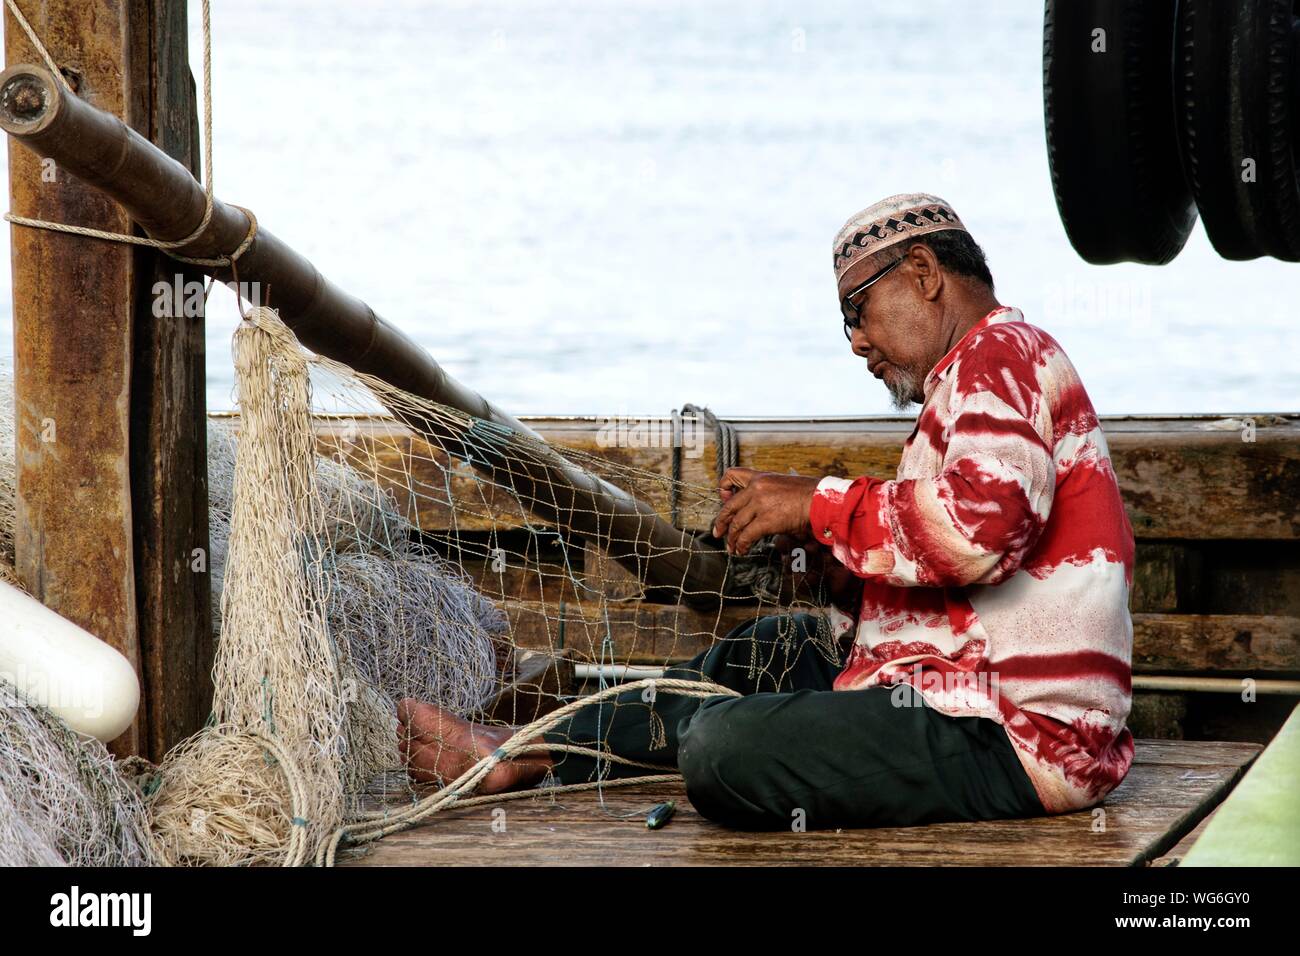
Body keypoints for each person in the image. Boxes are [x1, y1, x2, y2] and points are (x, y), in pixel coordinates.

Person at [398, 192, 1136, 830]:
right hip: (947, 692)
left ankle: (557, 751)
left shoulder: (1000, 356)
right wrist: (832, 567)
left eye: (858, 309)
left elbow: (978, 535)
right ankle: (522, 754)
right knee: (772, 646)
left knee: (721, 748)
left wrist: (814, 504)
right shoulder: (972, 376)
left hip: (1014, 735)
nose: (857, 341)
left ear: (923, 272)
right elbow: (957, 578)